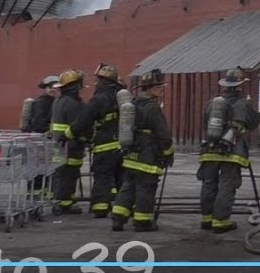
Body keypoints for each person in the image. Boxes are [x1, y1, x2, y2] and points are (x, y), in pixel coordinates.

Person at [197, 68, 260, 233]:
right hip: (232, 151)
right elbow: (254, 123)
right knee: (227, 184)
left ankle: (206, 219)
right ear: (240, 86)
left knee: (209, 183)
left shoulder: (212, 102)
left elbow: (204, 122)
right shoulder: (243, 103)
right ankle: (221, 221)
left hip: (210, 148)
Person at [112, 69, 174, 232]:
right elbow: (163, 135)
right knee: (146, 188)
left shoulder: (133, 103)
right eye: (159, 87)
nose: (161, 90)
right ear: (152, 88)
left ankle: (118, 219)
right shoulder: (153, 108)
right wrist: (168, 153)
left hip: (132, 152)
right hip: (148, 154)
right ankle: (142, 221)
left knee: (128, 186)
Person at [72, 64, 126, 218]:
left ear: (103, 81)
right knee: (121, 177)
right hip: (122, 144)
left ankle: (100, 208)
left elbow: (84, 120)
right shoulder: (120, 96)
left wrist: (69, 133)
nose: (96, 83)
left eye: (98, 80)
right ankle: (123, 209)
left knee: (102, 176)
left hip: (105, 145)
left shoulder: (99, 98)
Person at [49, 68, 88, 215]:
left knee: (60, 174)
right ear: (75, 86)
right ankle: (65, 204)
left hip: (57, 144)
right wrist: (85, 139)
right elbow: (78, 126)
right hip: (70, 145)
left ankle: (59, 201)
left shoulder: (58, 101)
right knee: (69, 175)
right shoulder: (74, 104)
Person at [21, 76, 60, 199]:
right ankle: (35, 194)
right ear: (45, 88)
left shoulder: (53, 101)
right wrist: (49, 131)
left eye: (55, 87)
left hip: (46, 142)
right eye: (50, 87)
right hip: (39, 141)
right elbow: (39, 123)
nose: (53, 90)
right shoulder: (42, 102)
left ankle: (41, 194)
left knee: (45, 169)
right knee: (39, 170)